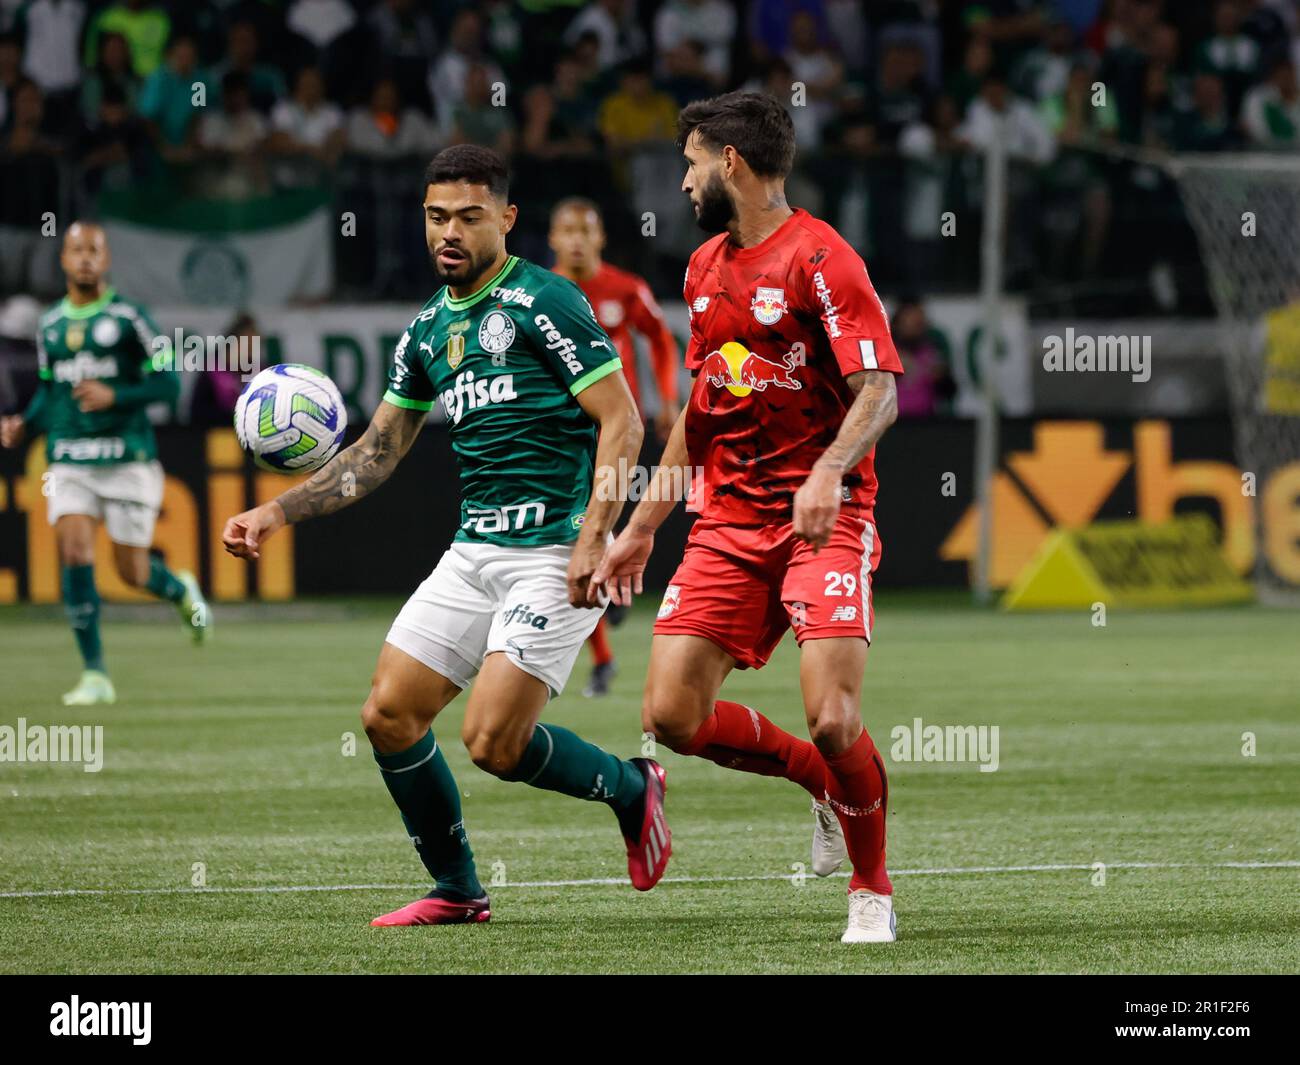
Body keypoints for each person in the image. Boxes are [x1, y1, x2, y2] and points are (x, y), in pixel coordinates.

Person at [220, 146, 670, 927]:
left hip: (554, 548)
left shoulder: (545, 300)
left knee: (493, 741)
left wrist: (597, 535)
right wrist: (274, 512)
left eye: (468, 216)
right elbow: (376, 452)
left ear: (506, 218)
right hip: (472, 552)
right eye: (436, 217)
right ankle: (459, 888)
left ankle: (633, 788)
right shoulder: (428, 327)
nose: (449, 233)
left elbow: (622, 420)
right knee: (388, 714)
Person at [592, 92, 903, 944]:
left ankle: (871, 888)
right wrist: (645, 526)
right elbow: (699, 410)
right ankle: (822, 788)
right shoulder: (701, 271)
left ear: (730, 161)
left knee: (835, 716)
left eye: (692, 160)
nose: (684, 178)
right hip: (728, 521)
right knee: (670, 715)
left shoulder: (823, 260)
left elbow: (880, 390)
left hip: (823, 519)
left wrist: (831, 474)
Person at [0, 222, 210, 706]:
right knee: (74, 550)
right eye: (77, 250)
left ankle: (179, 591)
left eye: (94, 250)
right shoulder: (50, 324)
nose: (85, 259)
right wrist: (23, 425)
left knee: (132, 572)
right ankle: (95, 673)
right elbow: (52, 393)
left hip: (126, 457)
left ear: (106, 259)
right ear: (64, 260)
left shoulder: (130, 318)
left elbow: (168, 385)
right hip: (69, 458)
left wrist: (117, 393)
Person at [548, 196, 681, 697]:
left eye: (587, 229)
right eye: (568, 230)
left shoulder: (625, 289)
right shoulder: (539, 290)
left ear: (600, 237)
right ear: (553, 239)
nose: (578, 239)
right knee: (572, 538)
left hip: (614, 431)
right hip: (560, 431)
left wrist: (668, 399)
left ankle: (612, 565)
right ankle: (602, 650)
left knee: (596, 524)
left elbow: (661, 340)